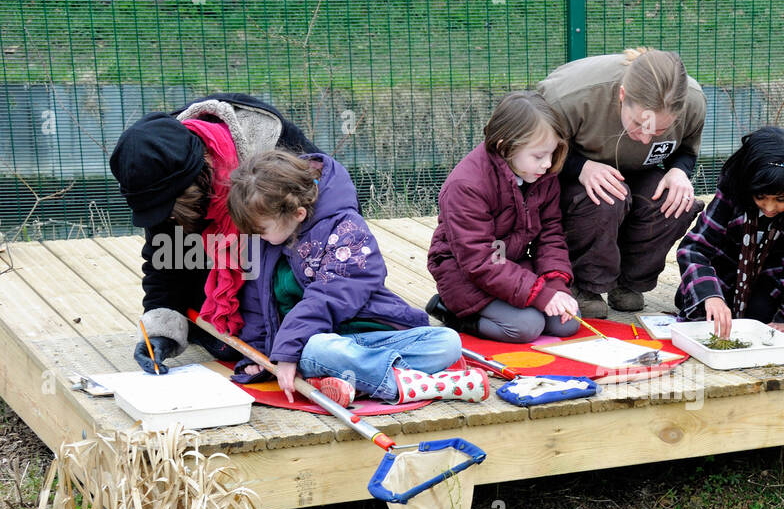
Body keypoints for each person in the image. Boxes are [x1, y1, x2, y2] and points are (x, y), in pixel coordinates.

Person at [226, 150, 485, 406]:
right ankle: (400, 384)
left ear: (298, 214)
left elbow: (329, 296)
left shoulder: (348, 229)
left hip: (371, 337)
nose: (257, 237)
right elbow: (256, 306)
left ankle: (351, 379)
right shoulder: (262, 243)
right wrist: (256, 356)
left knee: (447, 342)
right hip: (313, 344)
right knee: (319, 348)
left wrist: (288, 349)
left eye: (261, 230)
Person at [109, 93, 320, 373]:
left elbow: (327, 245)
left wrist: (288, 340)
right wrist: (160, 332)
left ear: (199, 178)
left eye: (171, 209)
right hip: (225, 285)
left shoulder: (277, 151)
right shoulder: (159, 171)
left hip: (286, 273)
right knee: (218, 335)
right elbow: (166, 260)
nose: (168, 218)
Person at [537, 48, 706, 317]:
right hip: (571, 173)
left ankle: (627, 283)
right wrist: (580, 166)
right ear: (622, 96)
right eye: (638, 124)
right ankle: (585, 285)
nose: (645, 139)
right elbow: (534, 149)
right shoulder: (571, 97)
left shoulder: (693, 101)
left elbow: (686, 149)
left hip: (638, 172)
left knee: (677, 202)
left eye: (659, 131)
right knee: (606, 196)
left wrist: (679, 171)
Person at [425, 91, 580, 343]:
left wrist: (555, 286)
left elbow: (550, 235)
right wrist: (539, 295)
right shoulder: (466, 185)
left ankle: (522, 303)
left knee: (567, 322)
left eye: (552, 153)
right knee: (526, 327)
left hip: (512, 264)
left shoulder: (542, 175)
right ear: (504, 146)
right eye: (539, 156)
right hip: (464, 273)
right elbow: (480, 259)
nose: (548, 164)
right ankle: (451, 312)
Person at [675, 126, 784, 337]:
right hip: (728, 266)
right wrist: (711, 295)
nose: (770, 208)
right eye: (761, 197)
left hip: (772, 273)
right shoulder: (732, 190)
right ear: (748, 186)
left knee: (760, 315)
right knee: (696, 303)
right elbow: (693, 249)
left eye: (781, 199)